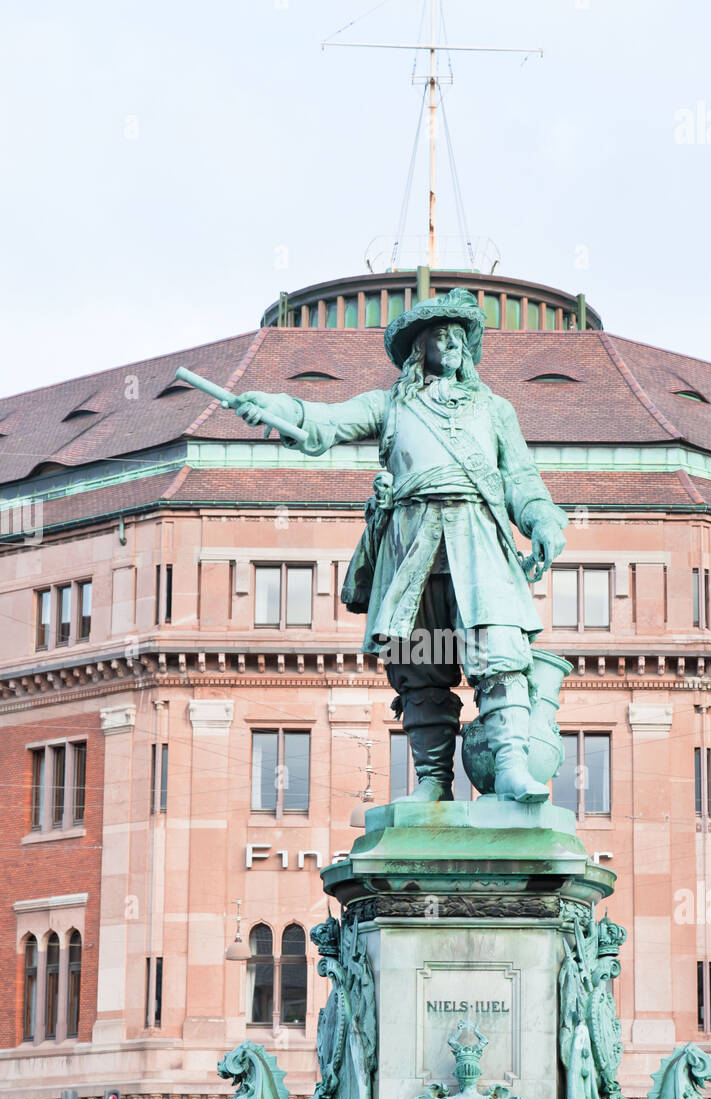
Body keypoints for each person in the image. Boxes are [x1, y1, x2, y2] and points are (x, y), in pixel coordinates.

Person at [235, 288, 567, 804]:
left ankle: (510, 765)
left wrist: (543, 518)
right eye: (438, 334)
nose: (450, 341)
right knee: (420, 663)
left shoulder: (496, 409)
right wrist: (275, 405)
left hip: (478, 538)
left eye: (458, 333)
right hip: (411, 541)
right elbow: (325, 419)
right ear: (419, 349)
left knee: (499, 652)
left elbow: (520, 477)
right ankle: (433, 782)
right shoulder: (391, 403)